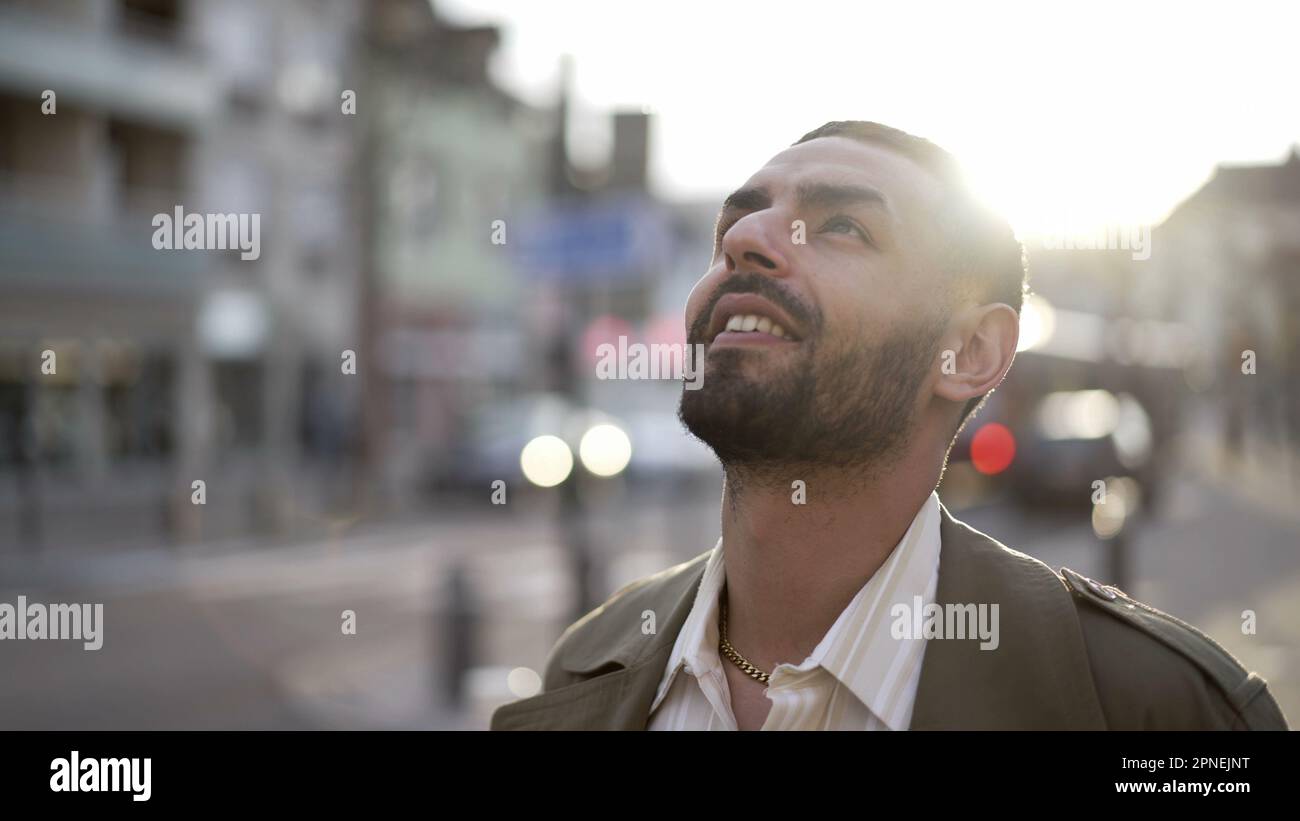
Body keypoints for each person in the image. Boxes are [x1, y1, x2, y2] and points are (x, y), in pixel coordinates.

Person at [491, 121, 1288, 730]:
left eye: (842, 226)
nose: (745, 239)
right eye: (736, 223)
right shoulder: (586, 672)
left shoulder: (1163, 713)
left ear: (971, 351)